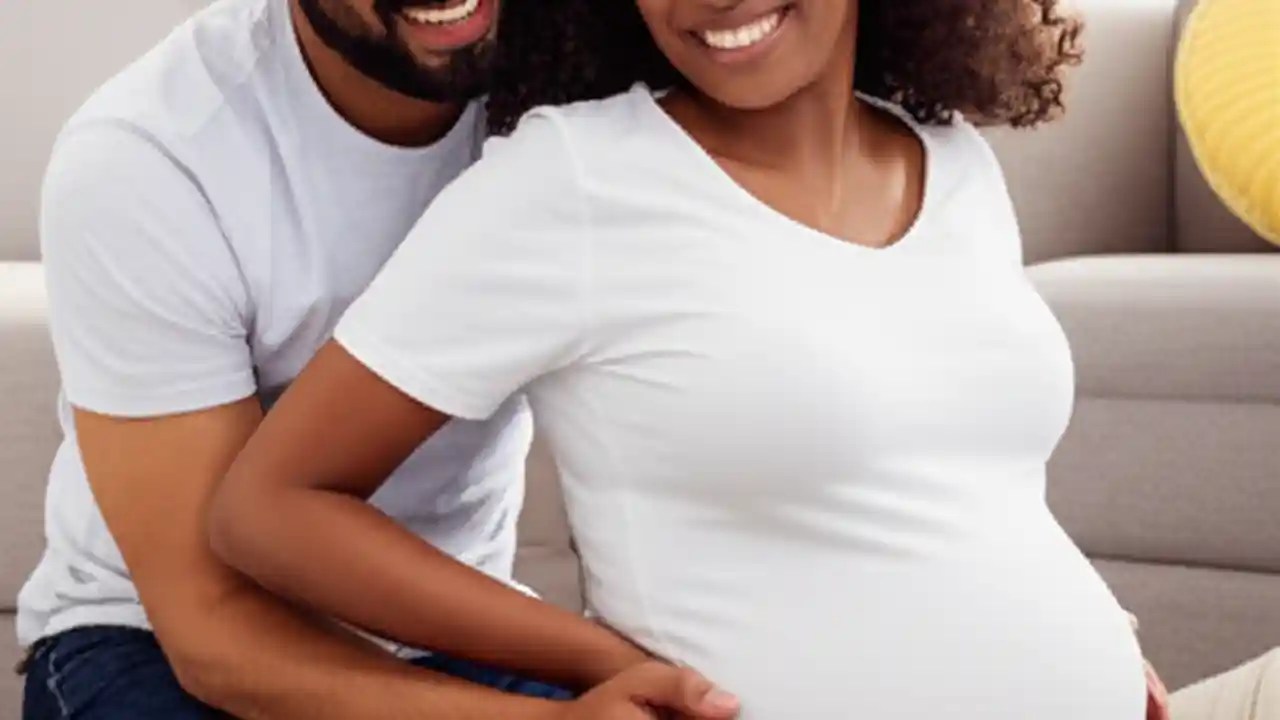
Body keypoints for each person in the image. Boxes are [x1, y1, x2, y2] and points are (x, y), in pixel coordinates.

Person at [207, 0, 1179, 718]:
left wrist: (1081, 641)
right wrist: (589, 660)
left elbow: (961, 480)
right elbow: (271, 508)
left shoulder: (950, 156)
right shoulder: (574, 179)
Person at [17, 0, 740, 717]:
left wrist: (627, 665)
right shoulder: (151, 156)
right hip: (149, 646)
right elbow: (210, 627)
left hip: (447, 629)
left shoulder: (569, 80)